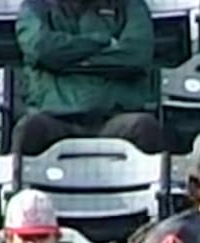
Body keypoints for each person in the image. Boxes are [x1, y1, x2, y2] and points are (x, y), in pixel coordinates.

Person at [12, 0, 167, 156]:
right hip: (54, 118)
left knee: (144, 127)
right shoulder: (36, 6)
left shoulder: (130, 5)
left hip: (115, 117)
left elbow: (136, 56)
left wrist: (67, 61)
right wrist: (103, 41)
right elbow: (42, 49)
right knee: (28, 129)